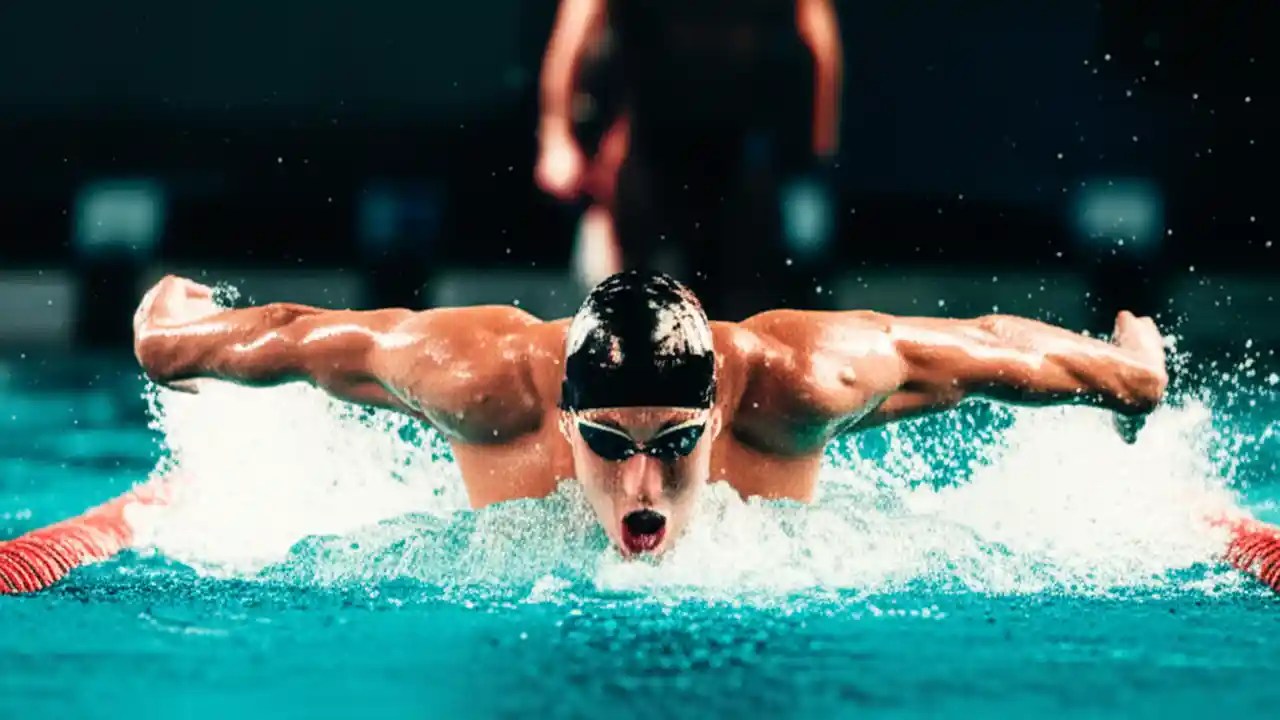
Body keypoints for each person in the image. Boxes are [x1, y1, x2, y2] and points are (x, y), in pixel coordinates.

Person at [133, 270, 1167, 557]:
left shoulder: (797, 384)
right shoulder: (483, 383)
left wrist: (1127, 377)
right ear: (559, 417)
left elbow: (980, 351)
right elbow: (310, 339)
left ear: (717, 416)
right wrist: (168, 338)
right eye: (606, 443)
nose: (642, 485)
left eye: (674, 445)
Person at [534, 0, 844, 319]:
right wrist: (557, 136)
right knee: (614, 287)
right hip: (648, 131)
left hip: (740, 133)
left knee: (778, 266)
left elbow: (816, 34)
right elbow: (574, 32)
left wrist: (816, 147)